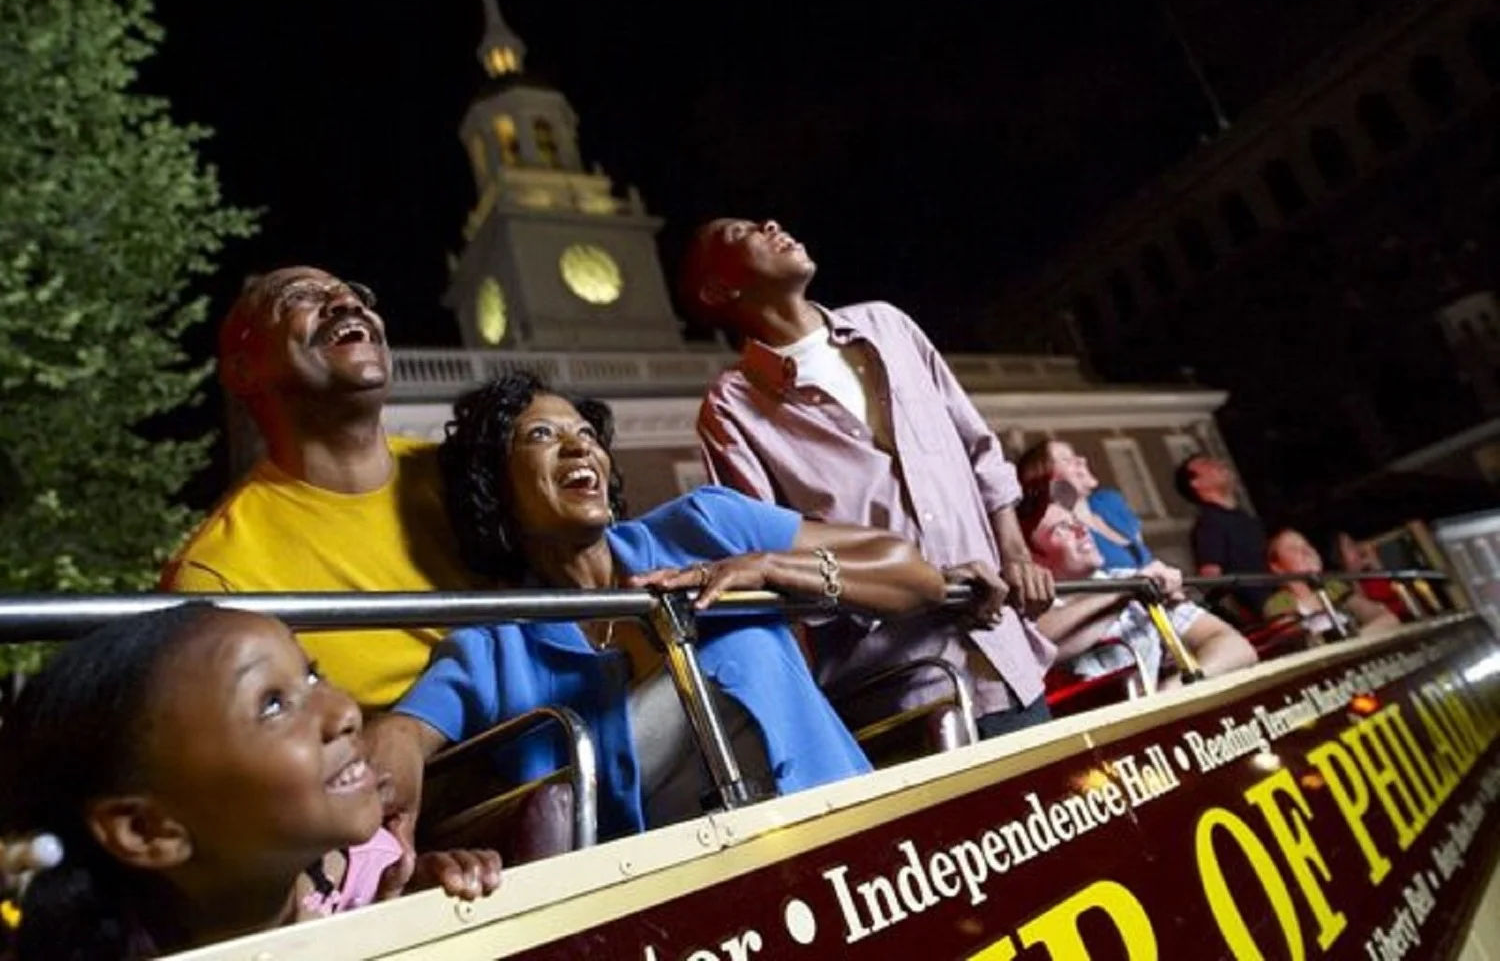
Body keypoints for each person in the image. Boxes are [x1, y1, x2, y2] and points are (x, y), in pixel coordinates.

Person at [367, 372, 948, 841]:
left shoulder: (704, 525)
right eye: (540, 435)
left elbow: (912, 572)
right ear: (493, 486)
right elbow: (405, 734)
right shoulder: (496, 644)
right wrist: (394, 760)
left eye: (586, 434)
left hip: (862, 860)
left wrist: (768, 569)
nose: (579, 445)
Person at [681, 217, 1055, 740]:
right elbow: (781, 560)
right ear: (721, 287)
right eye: (742, 232)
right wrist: (929, 583)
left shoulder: (889, 327)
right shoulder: (732, 406)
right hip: (900, 693)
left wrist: (1014, 552)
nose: (770, 223)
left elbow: (979, 449)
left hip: (1007, 661)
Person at [0, 604, 499, 961]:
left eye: (313, 676)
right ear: (147, 830)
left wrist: (423, 909)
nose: (345, 712)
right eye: (273, 704)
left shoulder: (375, 876)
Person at [160, 267, 475, 709]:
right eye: (298, 298)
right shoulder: (216, 578)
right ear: (244, 370)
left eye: (357, 294)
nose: (348, 304)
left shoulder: (478, 476)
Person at [1021, 481, 1257, 689]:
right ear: (1033, 557)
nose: (1082, 530)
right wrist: (1127, 590)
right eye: (1062, 528)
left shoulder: (1127, 577)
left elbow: (1236, 647)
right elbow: (1042, 643)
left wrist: (1178, 687)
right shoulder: (1027, 610)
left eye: (1075, 520)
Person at [1017, 438, 1152, 569]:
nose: (1082, 460)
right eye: (1066, 460)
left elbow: (1145, 556)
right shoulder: (1062, 532)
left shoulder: (1108, 501)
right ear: (1046, 479)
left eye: (1075, 455)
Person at [1173, 452, 1272, 618]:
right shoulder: (1210, 525)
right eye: (1207, 464)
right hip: (1267, 609)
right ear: (1196, 483)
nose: (1219, 464)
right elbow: (1212, 580)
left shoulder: (1245, 518)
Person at [1263, 529, 1402, 638]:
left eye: (1308, 545)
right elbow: (1298, 638)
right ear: (1277, 567)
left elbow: (1386, 618)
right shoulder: (1276, 604)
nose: (1306, 551)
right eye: (1293, 548)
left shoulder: (1334, 588)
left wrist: (1354, 642)